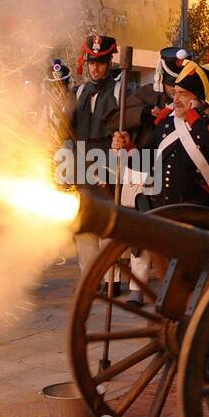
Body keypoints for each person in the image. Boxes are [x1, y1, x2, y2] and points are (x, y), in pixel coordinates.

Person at [112, 59, 209, 214]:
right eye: (175, 93)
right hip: (161, 212)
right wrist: (128, 148)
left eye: (183, 94)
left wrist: (195, 119)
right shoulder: (167, 123)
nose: (175, 100)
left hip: (200, 218)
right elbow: (145, 163)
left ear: (200, 99)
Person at [66, 34, 144, 278]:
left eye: (100, 62)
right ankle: (90, 275)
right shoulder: (78, 92)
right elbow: (70, 132)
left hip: (110, 157)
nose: (95, 68)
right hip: (83, 159)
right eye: (91, 62)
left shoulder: (122, 90)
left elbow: (129, 130)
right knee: (84, 222)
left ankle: (111, 276)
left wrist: (112, 165)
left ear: (109, 62)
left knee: (109, 219)